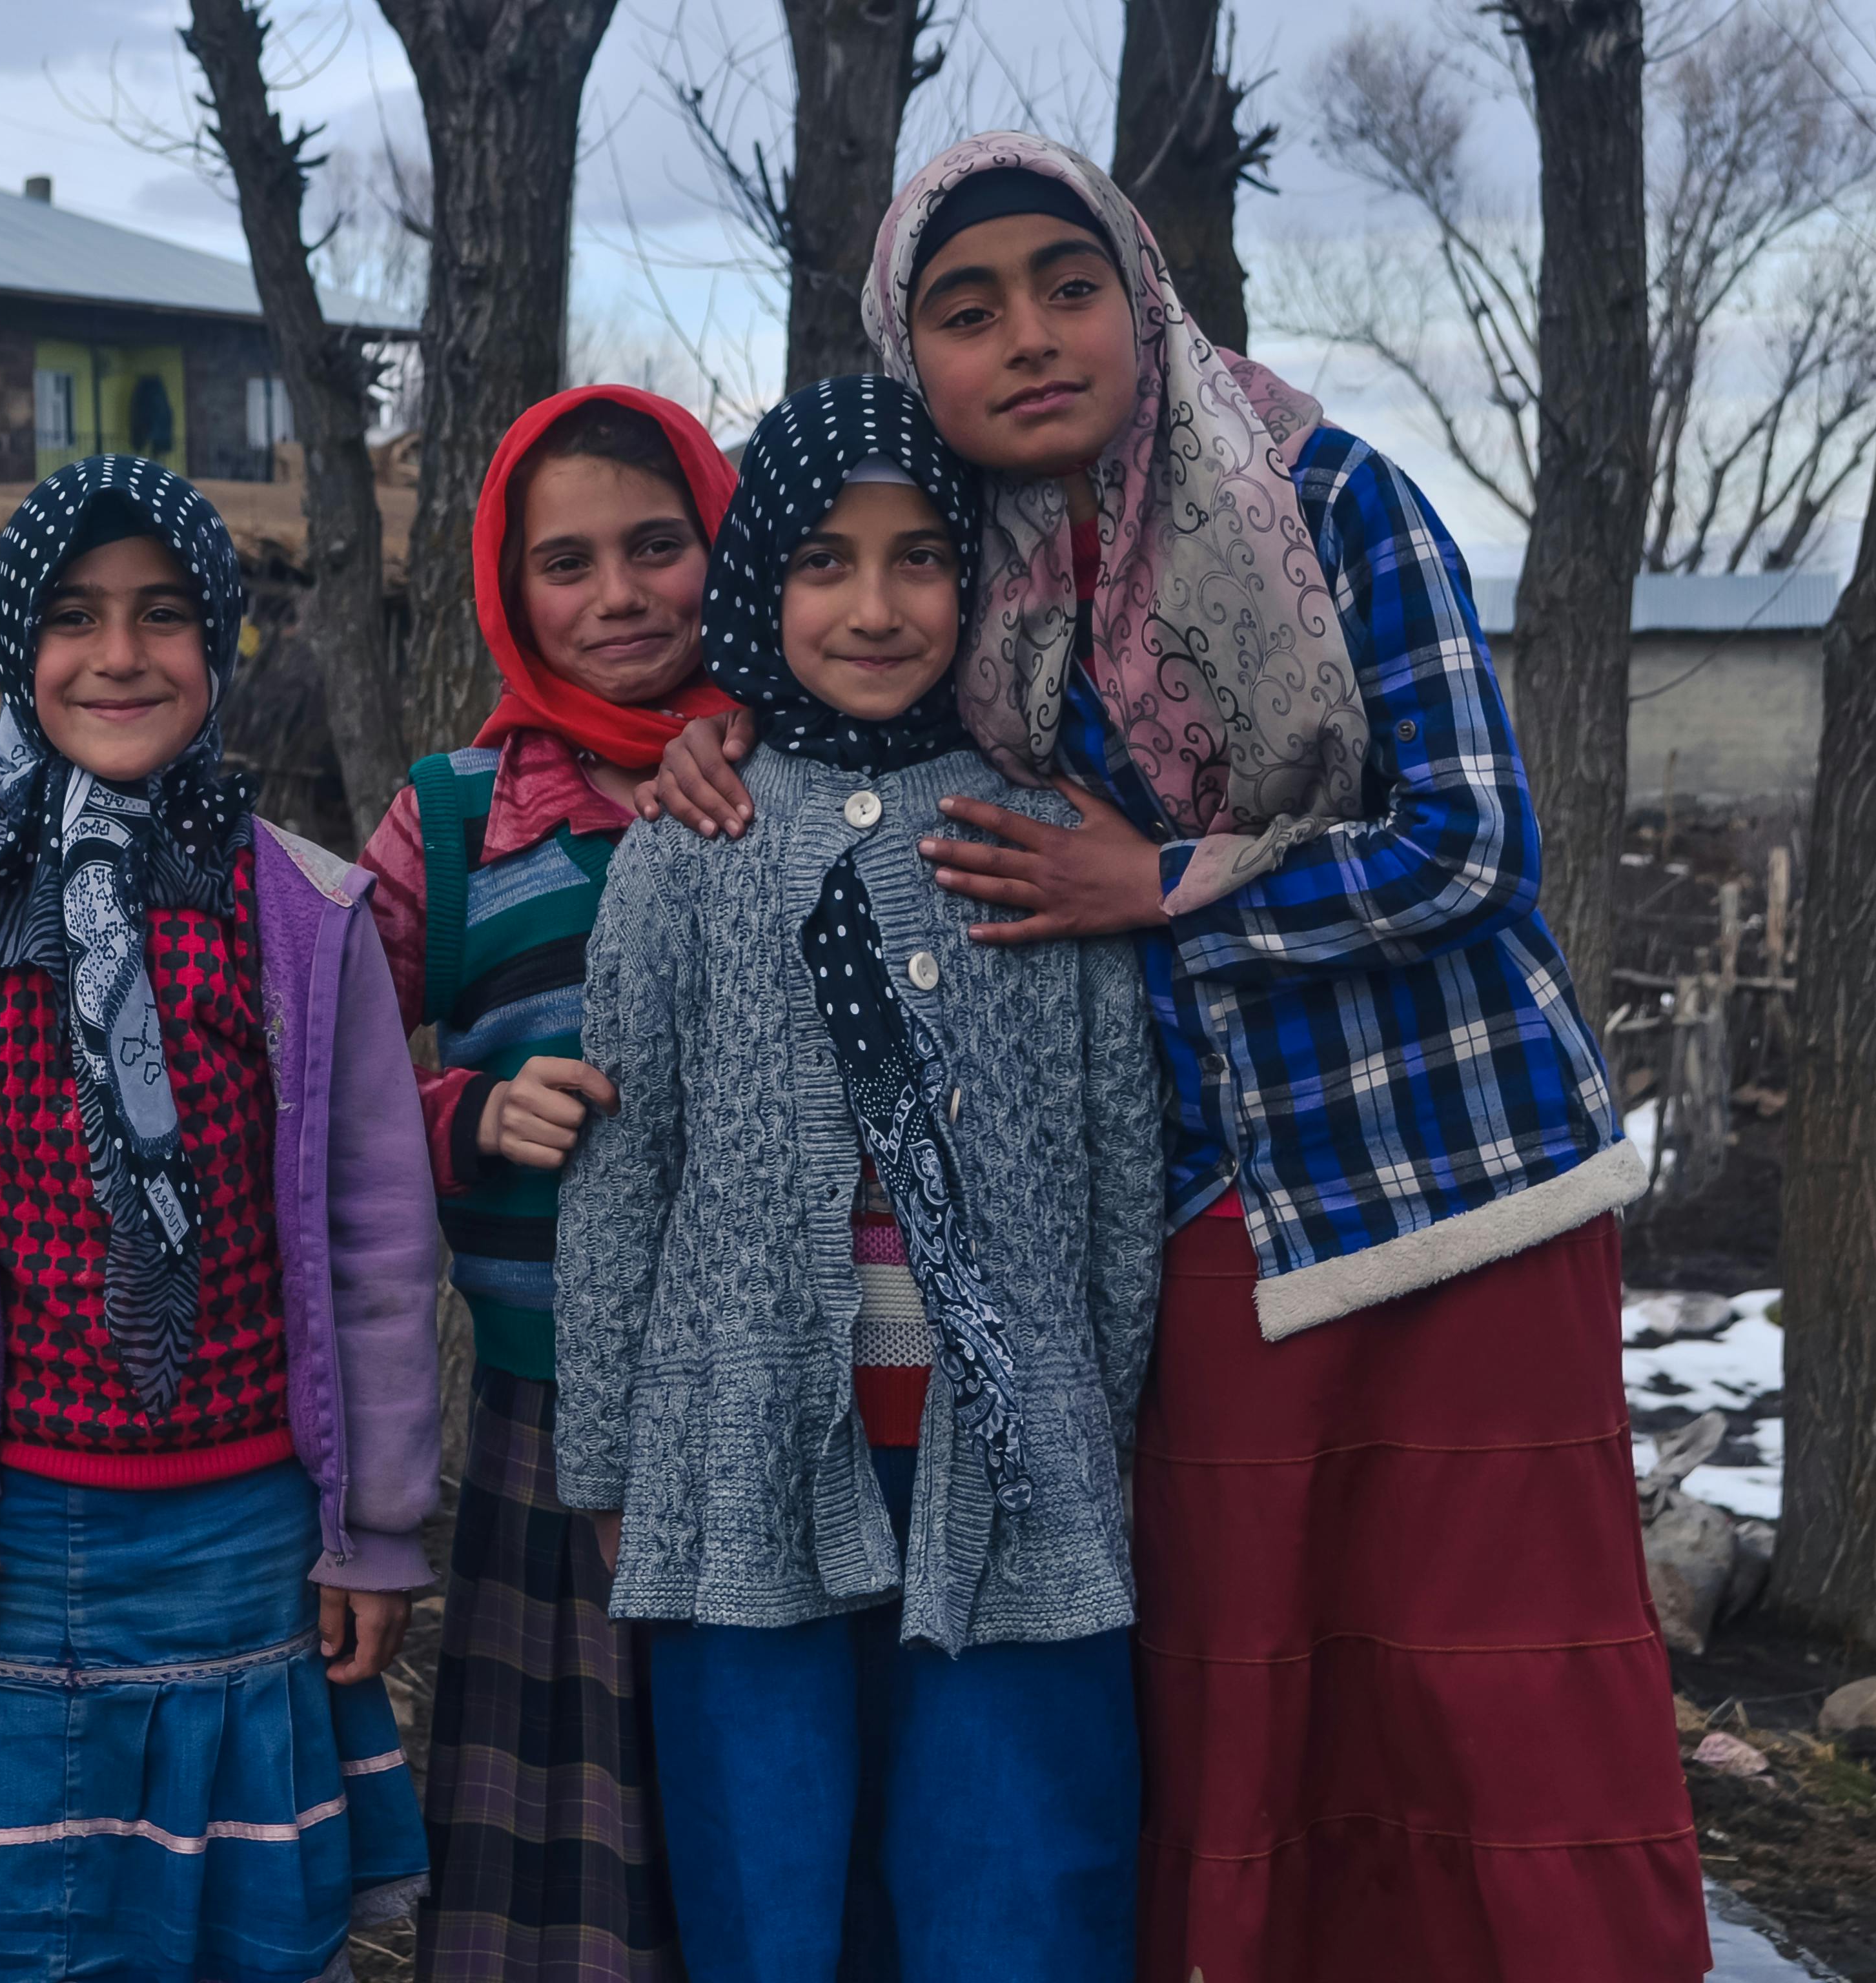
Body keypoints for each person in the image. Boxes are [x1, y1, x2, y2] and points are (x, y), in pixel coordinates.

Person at [646, 134, 1708, 1983]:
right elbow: (837, 639)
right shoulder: (967, 557)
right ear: (911, 352)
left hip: (1448, 1175)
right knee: (1252, 1671)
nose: (1034, 339)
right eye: (968, 312)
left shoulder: (1322, 500)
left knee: (1488, 1676)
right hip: (1204, 1190)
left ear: (1140, 292)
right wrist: (729, 718)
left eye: (1070, 286)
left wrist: (1170, 883)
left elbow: (1470, 848)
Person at [558, 372, 1165, 1983]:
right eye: (825, 560)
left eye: (920, 559)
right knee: (771, 1882)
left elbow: (1113, 1174)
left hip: (1014, 1470)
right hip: (738, 1454)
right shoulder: (690, 847)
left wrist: (1093, 1430)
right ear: (760, 581)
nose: (877, 605)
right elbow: (627, 1169)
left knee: (1013, 1877)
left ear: (978, 582)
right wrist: (613, 1457)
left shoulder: (1040, 832)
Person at [0, 454, 442, 1983]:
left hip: (253, 1527)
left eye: (164, 613)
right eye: (74, 615)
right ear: (12, 650)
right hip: (28, 1531)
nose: (119, 654)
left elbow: (377, 1239)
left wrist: (371, 1525)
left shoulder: (301, 914)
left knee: (246, 1930)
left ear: (221, 644)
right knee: (39, 1934)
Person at [359, 383, 732, 1981]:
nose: (621, 595)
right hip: (548, 1409)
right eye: (566, 564)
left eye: (661, 546)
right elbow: (320, 1091)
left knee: (760, 1815)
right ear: (508, 596)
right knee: (569, 1872)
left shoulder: (792, 769)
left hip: (795, 1404)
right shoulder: (451, 821)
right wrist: (468, 1112)